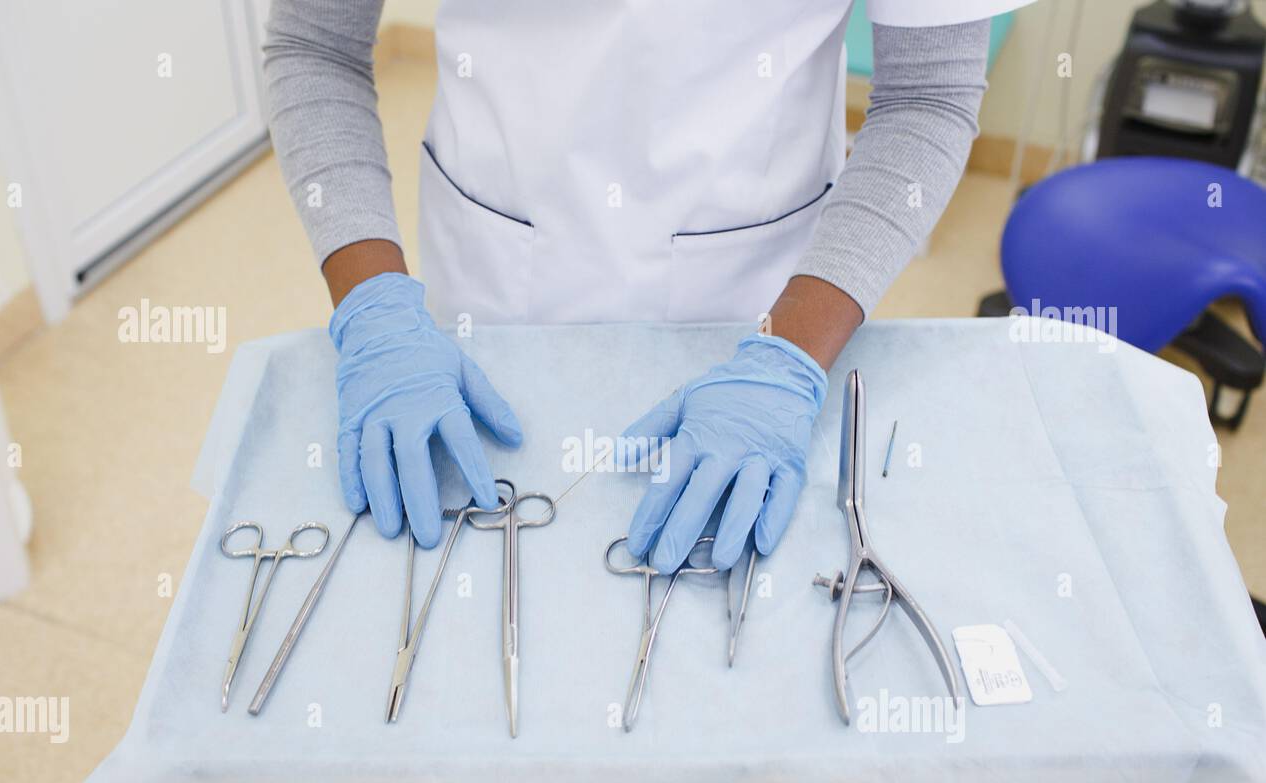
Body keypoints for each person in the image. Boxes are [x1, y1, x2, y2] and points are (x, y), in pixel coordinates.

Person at [264, 0, 1031, 573]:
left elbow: (928, 95)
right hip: (489, 311)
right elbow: (313, 44)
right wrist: (373, 308)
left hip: (762, 318)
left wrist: (786, 359)